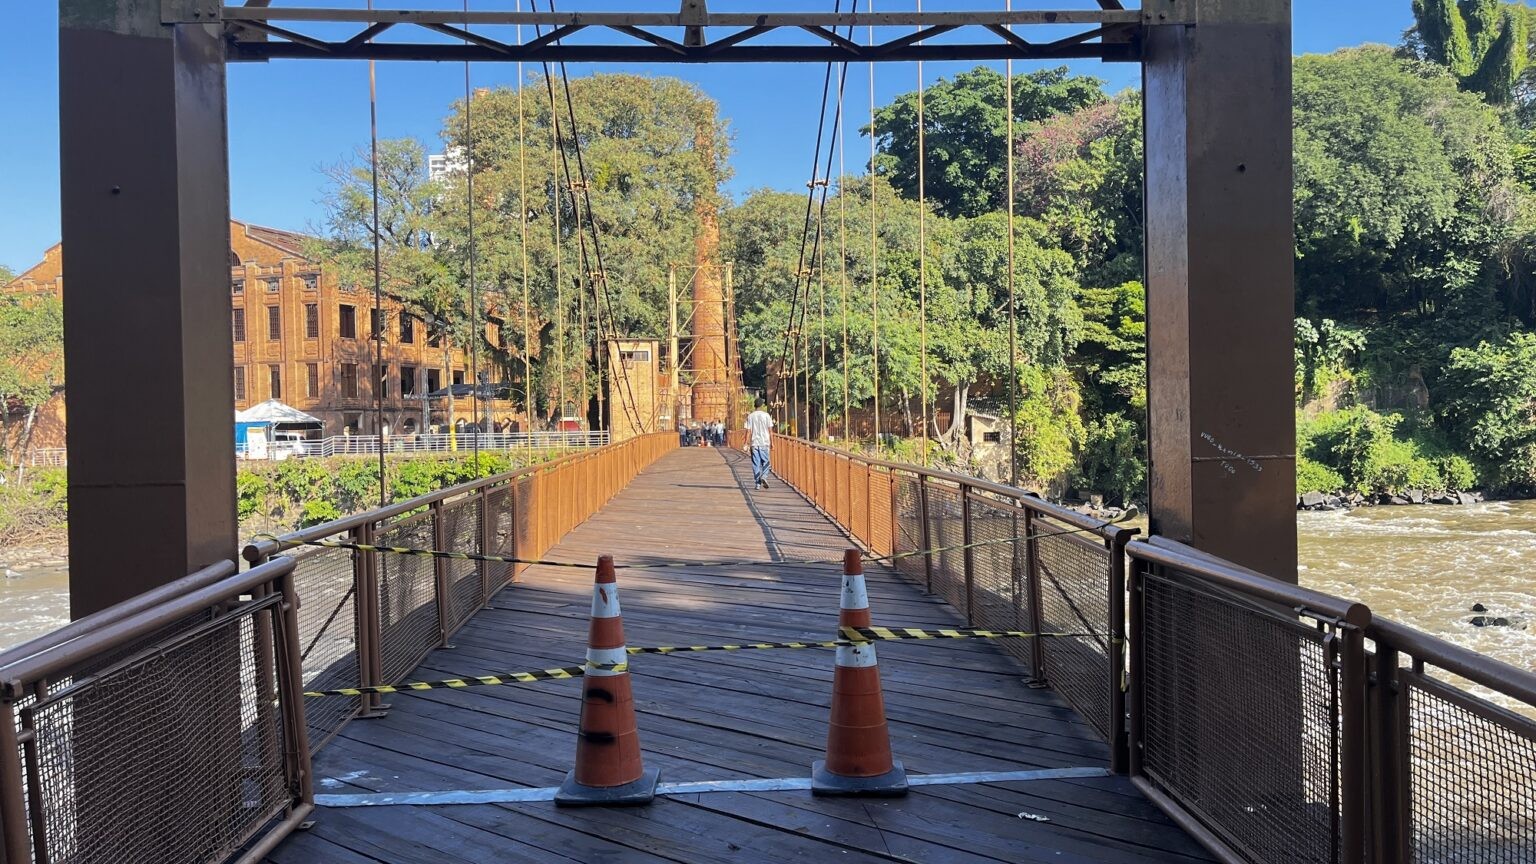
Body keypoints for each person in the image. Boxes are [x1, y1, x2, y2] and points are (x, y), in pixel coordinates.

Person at [744, 400, 775, 490]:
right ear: (762, 405)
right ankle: (764, 477)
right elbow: (770, 431)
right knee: (766, 462)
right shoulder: (766, 416)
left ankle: (757, 484)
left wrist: (746, 443)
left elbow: (748, 431)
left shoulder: (750, 416)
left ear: (754, 406)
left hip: (754, 443)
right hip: (764, 443)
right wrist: (772, 443)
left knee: (755, 464)